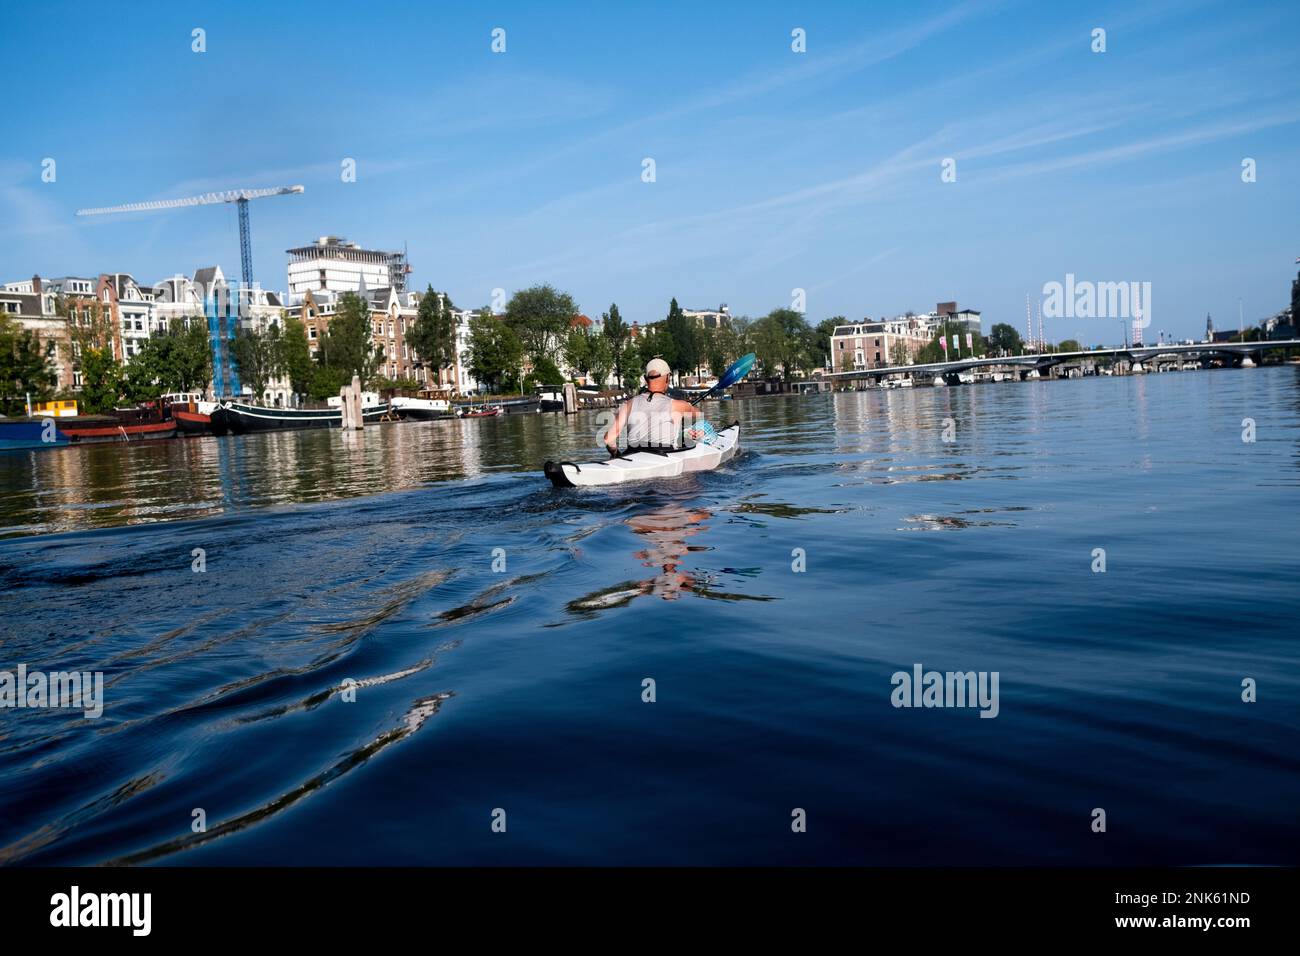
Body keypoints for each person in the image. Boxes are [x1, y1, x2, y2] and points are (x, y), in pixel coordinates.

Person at [603, 358, 706, 455]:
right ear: (667, 377)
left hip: (632, 454)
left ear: (645, 378)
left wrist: (616, 456)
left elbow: (608, 439)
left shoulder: (628, 404)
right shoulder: (678, 405)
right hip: (663, 455)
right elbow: (698, 414)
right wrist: (687, 411)